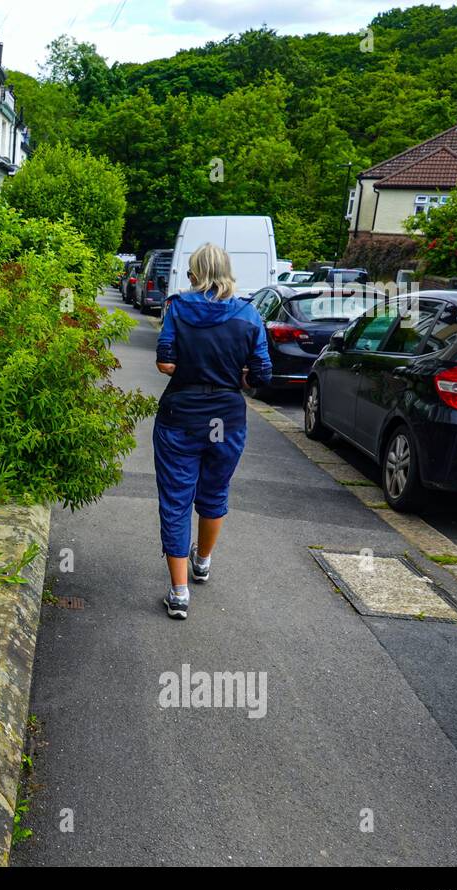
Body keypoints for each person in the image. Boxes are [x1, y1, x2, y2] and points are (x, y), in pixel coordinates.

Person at [153, 243, 271, 620]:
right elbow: (261, 375)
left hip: (181, 417)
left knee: (176, 500)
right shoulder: (249, 314)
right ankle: (202, 561)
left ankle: (179, 592)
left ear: (195, 274)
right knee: (214, 490)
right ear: (227, 273)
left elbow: (165, 363)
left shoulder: (177, 308)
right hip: (224, 420)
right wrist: (234, 374)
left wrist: (191, 366)